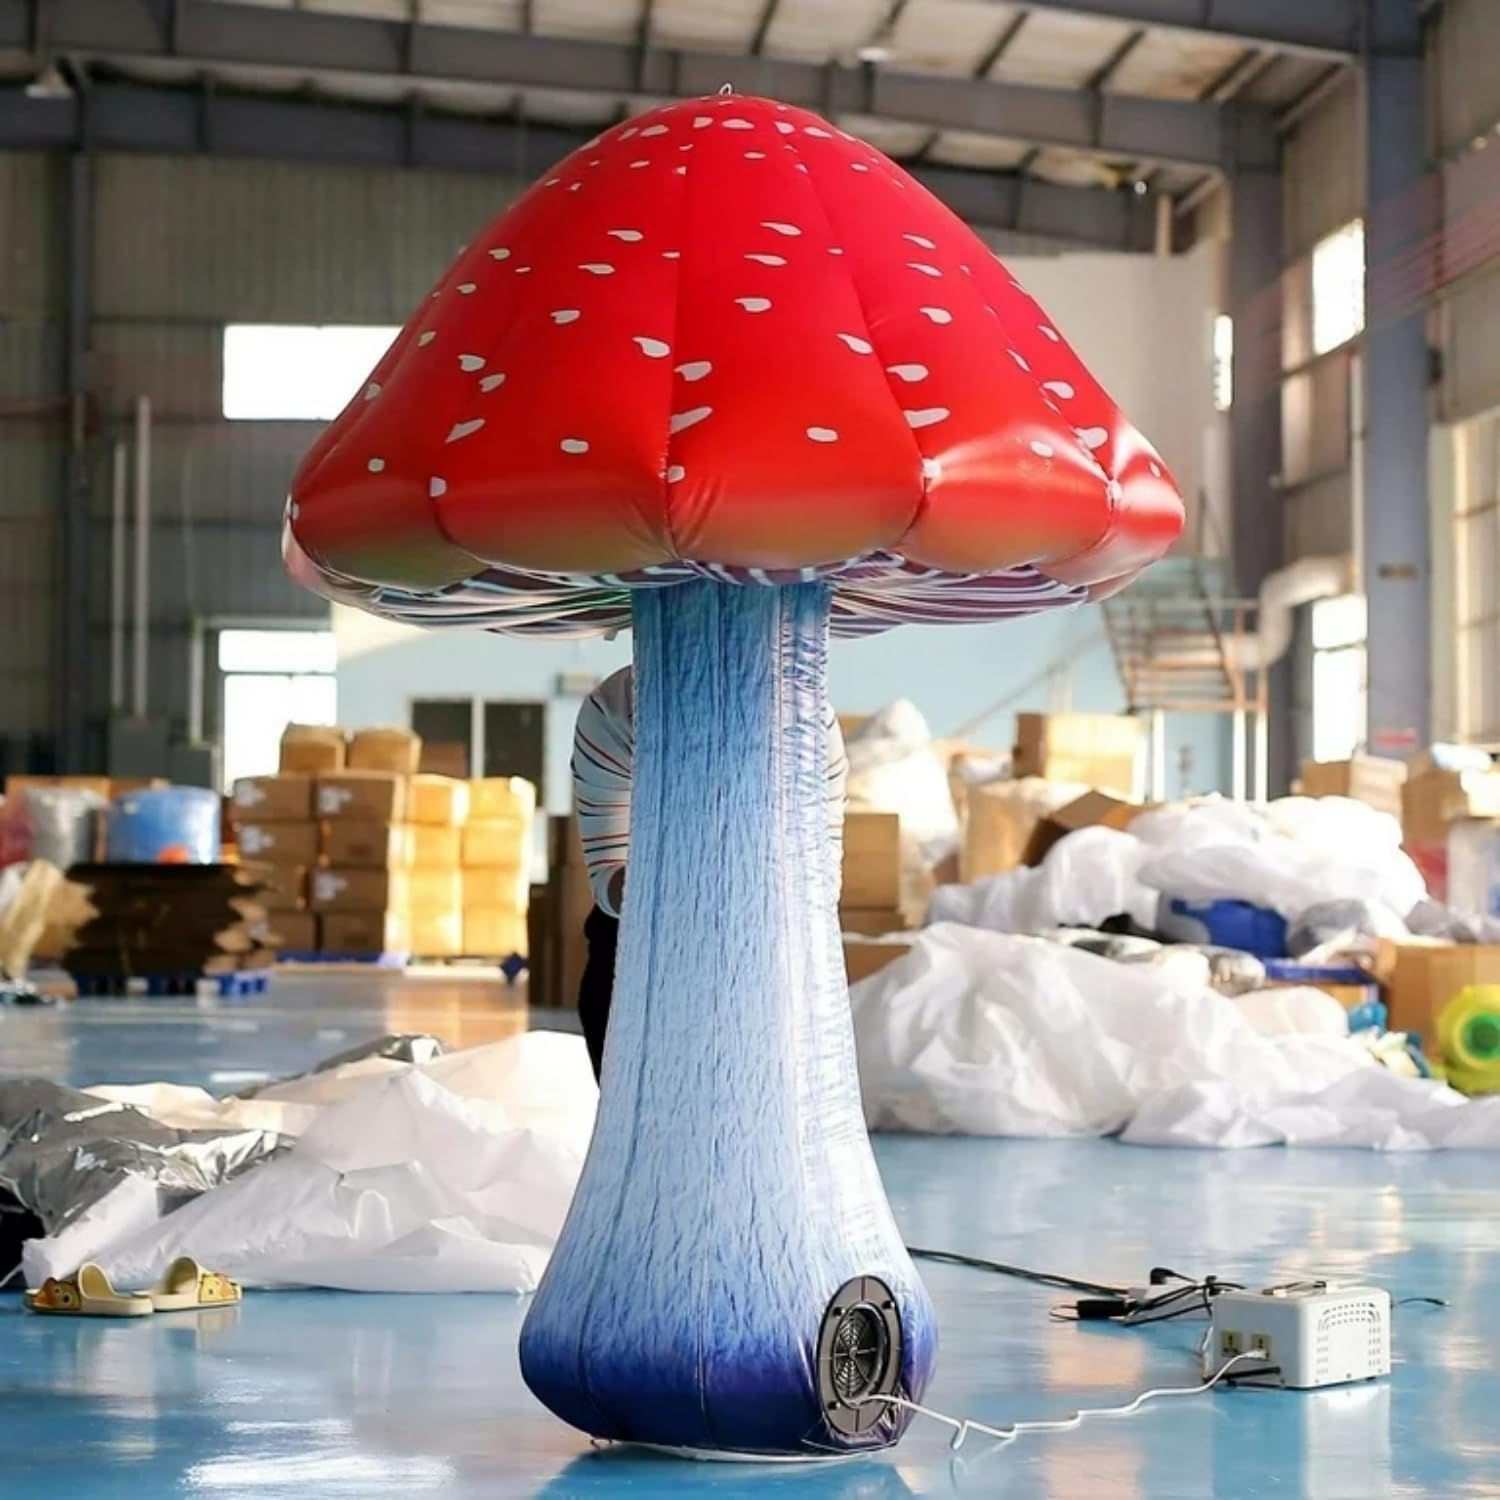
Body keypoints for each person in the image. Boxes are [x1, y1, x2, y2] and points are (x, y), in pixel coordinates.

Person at [572, 666, 848, 1080]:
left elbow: (819, 884)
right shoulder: (618, 710)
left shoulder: (807, 723)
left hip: (769, 941)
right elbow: (609, 876)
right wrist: (691, 880)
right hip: (641, 945)